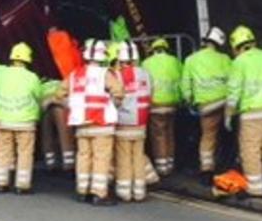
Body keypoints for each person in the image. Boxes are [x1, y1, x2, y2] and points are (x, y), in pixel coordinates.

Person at [226, 25, 262, 197]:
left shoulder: (239, 62)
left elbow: (233, 92)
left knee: (250, 149)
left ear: (236, 47)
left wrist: (229, 114)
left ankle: (255, 187)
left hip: (252, 112)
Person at [67, 40, 122, 206]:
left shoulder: (74, 74)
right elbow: (119, 93)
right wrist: (113, 105)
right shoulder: (105, 74)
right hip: (101, 124)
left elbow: (60, 93)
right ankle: (99, 193)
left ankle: (82, 191)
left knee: (83, 156)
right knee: (101, 158)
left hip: (81, 125)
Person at [181, 26, 232, 183]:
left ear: (205, 42)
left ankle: (207, 170)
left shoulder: (191, 59)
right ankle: (228, 164)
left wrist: (188, 99)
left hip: (206, 105)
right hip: (225, 102)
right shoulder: (225, 59)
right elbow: (233, 81)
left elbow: (185, 84)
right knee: (227, 135)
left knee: (208, 136)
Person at [0, 43, 44, 194]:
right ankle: (22, 185)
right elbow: (38, 96)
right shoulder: (32, 77)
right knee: (25, 152)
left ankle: (1, 182)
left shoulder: (2, 75)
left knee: (3, 151)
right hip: (25, 121)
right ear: (28, 59)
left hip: (4, 119)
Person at [112, 42, 151, 202]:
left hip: (124, 122)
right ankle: (140, 191)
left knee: (124, 157)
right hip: (141, 122)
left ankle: (125, 191)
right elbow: (151, 94)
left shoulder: (118, 76)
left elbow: (114, 100)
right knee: (138, 156)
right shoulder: (146, 74)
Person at [142, 38, 182, 177]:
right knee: (169, 132)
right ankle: (170, 162)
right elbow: (180, 80)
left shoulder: (146, 63)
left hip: (155, 104)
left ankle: (161, 166)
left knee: (158, 135)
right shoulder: (174, 61)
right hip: (171, 103)